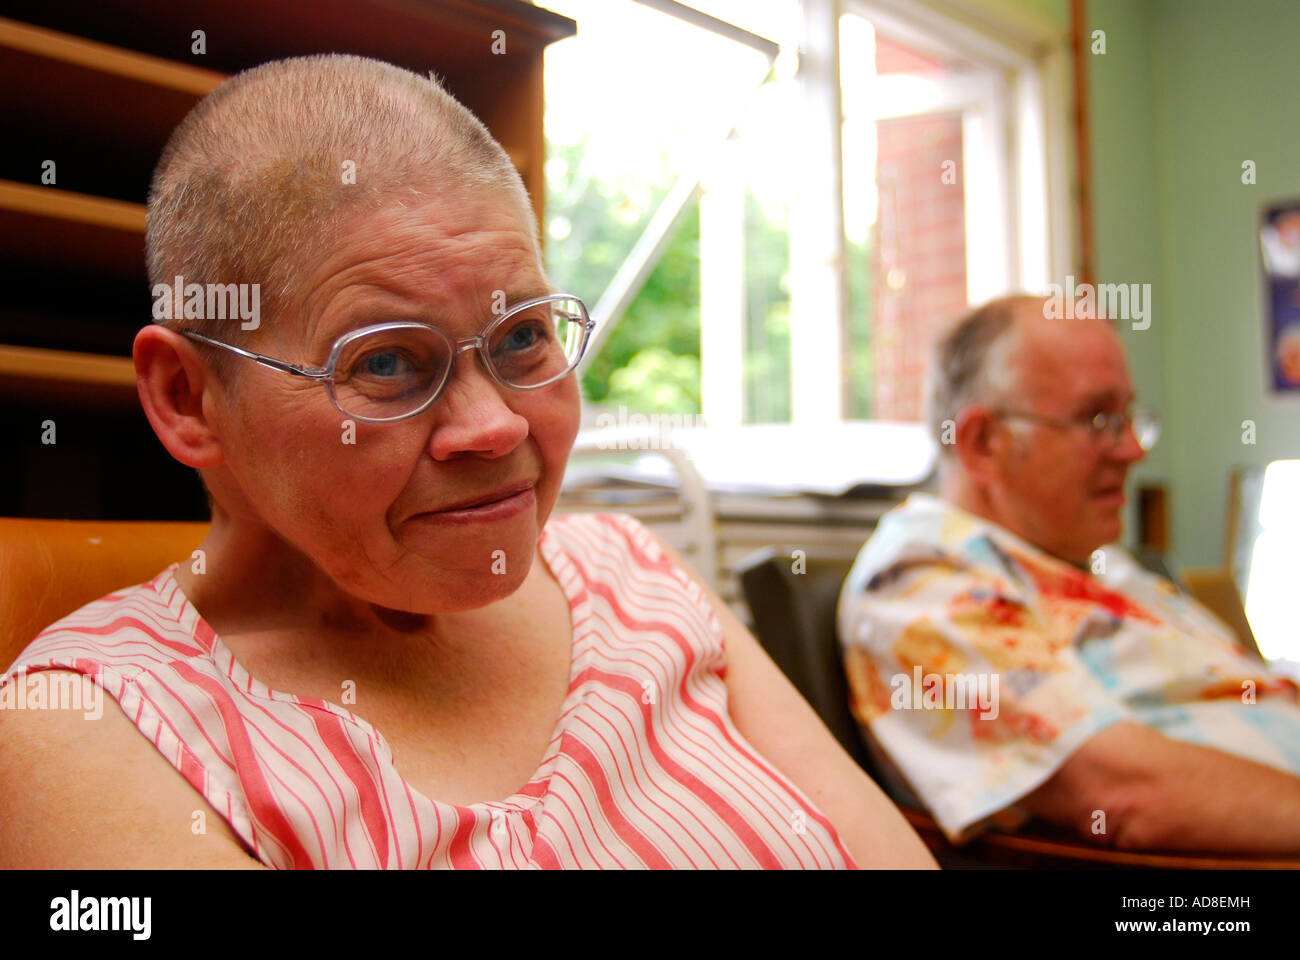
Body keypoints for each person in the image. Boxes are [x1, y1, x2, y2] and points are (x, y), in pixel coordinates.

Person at [0, 54, 934, 870]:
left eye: (524, 336)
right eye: (386, 362)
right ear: (188, 398)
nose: (492, 428)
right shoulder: (89, 734)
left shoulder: (633, 573)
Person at [838, 294, 1300, 854]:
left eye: (1130, 417)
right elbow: (1122, 794)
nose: (1132, 449)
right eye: (1098, 420)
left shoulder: (1099, 565)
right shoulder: (920, 588)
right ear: (984, 443)